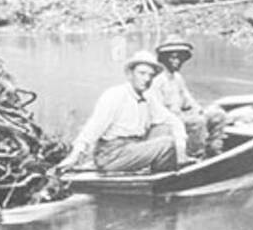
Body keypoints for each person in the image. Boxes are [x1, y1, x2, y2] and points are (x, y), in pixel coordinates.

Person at [55, 50, 190, 174]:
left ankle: (161, 172)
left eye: (151, 75)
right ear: (130, 74)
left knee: (165, 129)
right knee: (166, 144)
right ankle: (162, 180)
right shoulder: (115, 95)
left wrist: (181, 148)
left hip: (133, 147)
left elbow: (172, 121)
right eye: (142, 73)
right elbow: (93, 127)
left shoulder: (148, 98)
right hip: (111, 154)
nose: (147, 79)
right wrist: (74, 155)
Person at [151, 35, 227, 157]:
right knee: (197, 122)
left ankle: (213, 147)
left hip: (182, 118)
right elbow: (158, 112)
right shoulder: (157, 81)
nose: (177, 61)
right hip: (168, 123)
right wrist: (184, 117)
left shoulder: (177, 78)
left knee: (218, 115)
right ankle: (194, 155)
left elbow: (189, 101)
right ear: (164, 59)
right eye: (173, 58)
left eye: (180, 58)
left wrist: (200, 110)